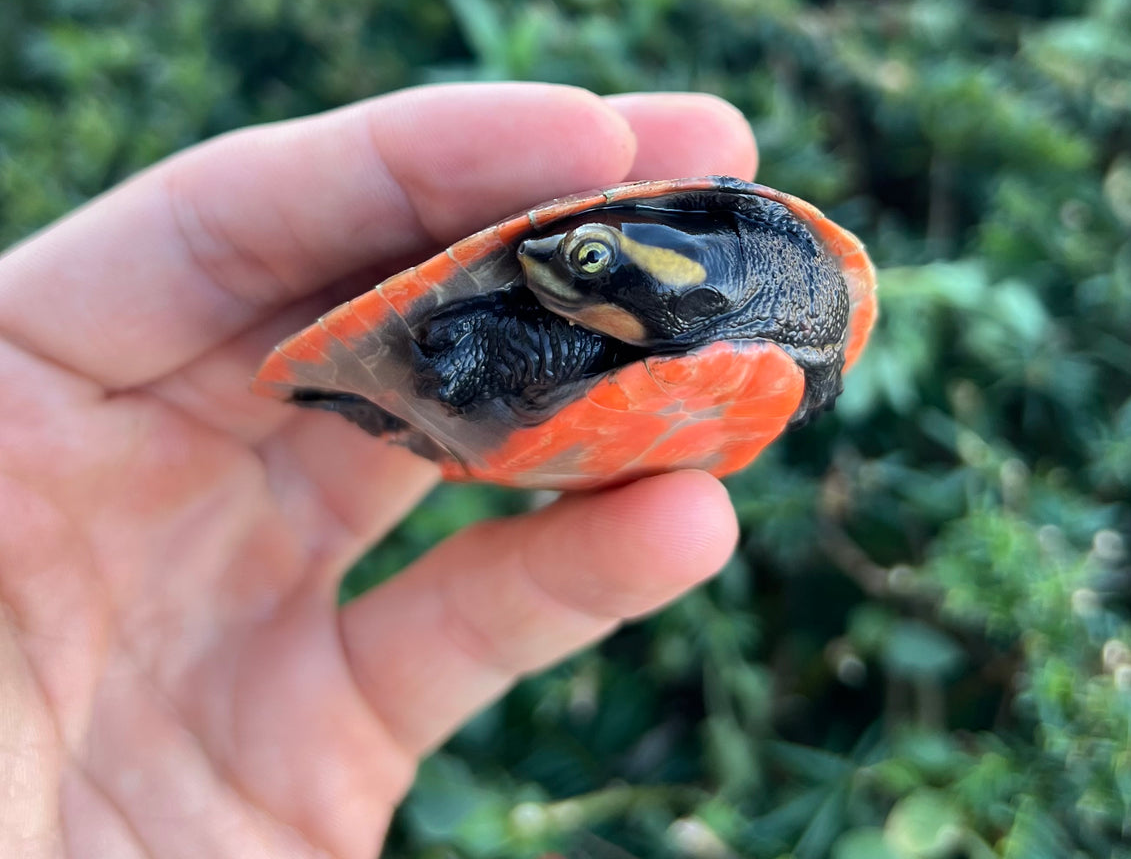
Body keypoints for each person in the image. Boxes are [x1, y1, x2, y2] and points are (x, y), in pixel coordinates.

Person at [0, 83, 756, 858]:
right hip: (541, 390)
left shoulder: (772, 261)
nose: (535, 261)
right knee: (513, 337)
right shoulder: (556, 307)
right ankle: (481, 346)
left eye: (588, 254)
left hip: (670, 426)